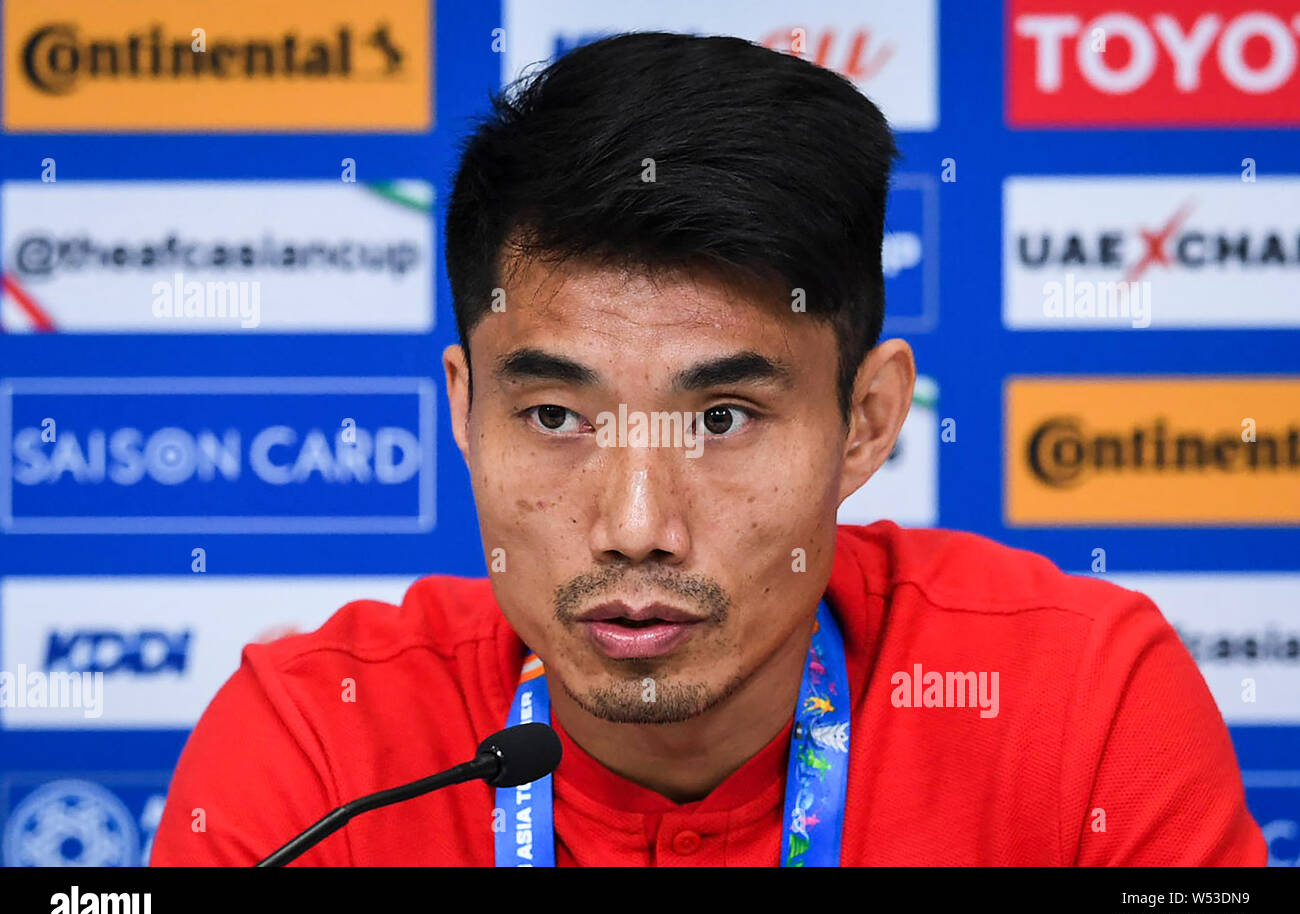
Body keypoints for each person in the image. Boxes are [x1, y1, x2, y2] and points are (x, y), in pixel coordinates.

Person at [151, 32, 1264, 866]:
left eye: (720, 418)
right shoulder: (317, 745)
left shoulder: (1081, 698)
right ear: (464, 405)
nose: (636, 525)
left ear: (866, 421)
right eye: (555, 416)